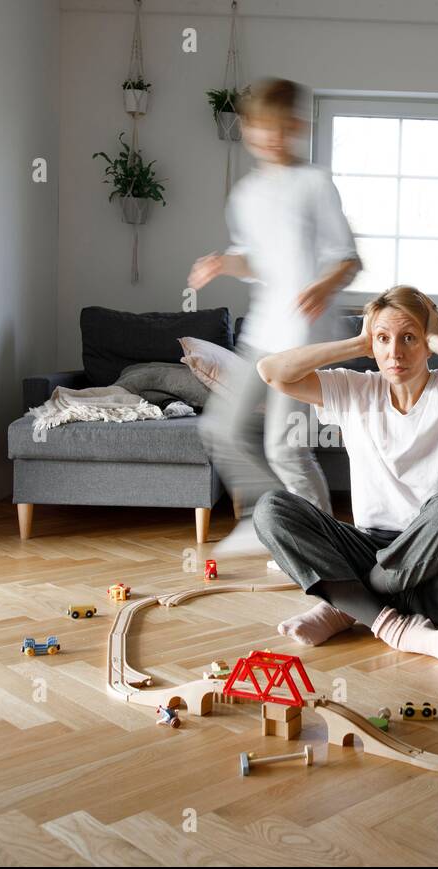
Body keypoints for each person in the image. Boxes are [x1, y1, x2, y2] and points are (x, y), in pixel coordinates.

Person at [252, 285, 438, 666]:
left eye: (409, 338)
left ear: (427, 343)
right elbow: (271, 372)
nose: (394, 352)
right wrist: (359, 342)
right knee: (271, 509)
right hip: (375, 550)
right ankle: (391, 625)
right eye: (384, 339)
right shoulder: (353, 390)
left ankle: (351, 604)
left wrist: (436, 338)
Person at [188, 77, 361, 555]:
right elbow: (254, 263)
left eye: (282, 128)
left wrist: (323, 286)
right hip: (263, 335)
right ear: (247, 128)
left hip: (306, 337)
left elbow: (348, 258)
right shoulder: (244, 195)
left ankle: (325, 548)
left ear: (298, 127)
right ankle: (270, 519)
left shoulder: (314, 183)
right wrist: (225, 262)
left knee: (286, 447)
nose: (272, 138)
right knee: (218, 429)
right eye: (263, 127)